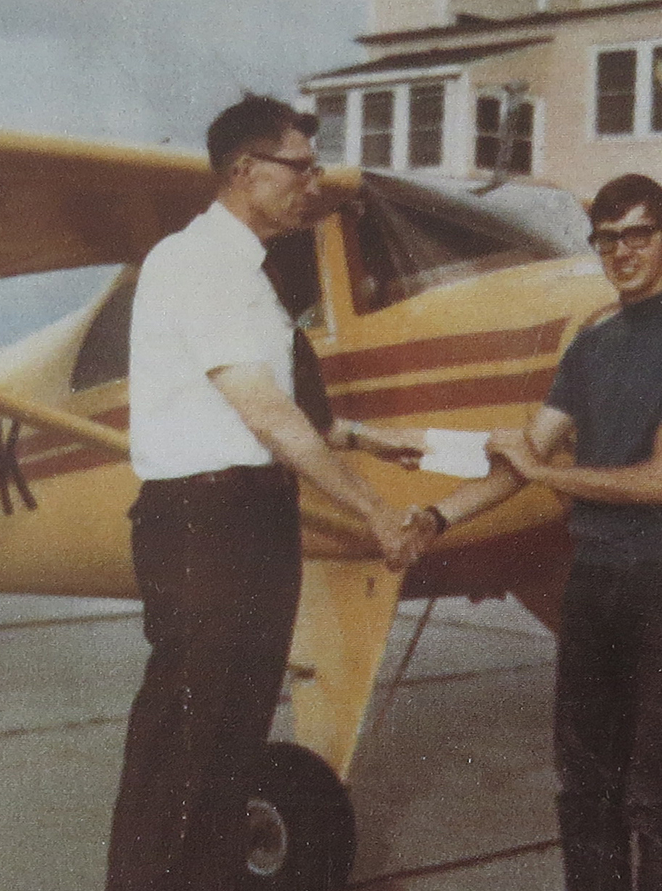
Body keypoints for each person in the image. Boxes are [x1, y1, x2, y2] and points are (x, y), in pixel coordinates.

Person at [110, 94, 422, 891]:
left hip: (251, 515)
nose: (311, 184)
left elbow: (270, 409)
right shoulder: (197, 261)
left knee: (232, 741)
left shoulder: (249, 275)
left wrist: (359, 436)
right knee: (185, 746)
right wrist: (373, 510)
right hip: (203, 521)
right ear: (245, 171)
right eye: (300, 167)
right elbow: (262, 410)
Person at [408, 174, 662, 891]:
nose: (622, 251)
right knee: (582, 781)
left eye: (638, 234)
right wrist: (438, 518)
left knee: (655, 789)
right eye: (607, 237)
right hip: (593, 577)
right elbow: (525, 455)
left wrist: (548, 471)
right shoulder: (592, 344)